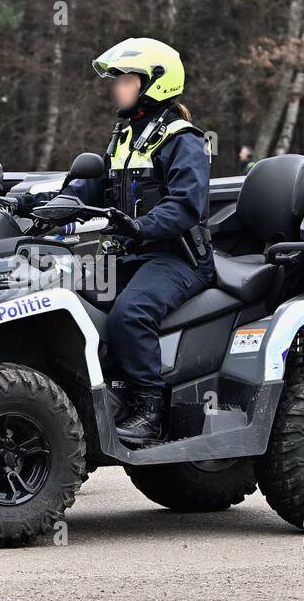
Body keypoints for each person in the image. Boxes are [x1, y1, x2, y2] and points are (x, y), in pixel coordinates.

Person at [18, 37, 214, 445]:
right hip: (133, 255)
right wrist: (28, 204)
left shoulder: (183, 138)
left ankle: (149, 410)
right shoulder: (125, 136)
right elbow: (87, 192)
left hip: (178, 259)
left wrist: (139, 227)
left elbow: (186, 206)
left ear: (153, 83)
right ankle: (86, 401)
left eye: (125, 79)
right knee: (68, 293)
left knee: (130, 314)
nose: (117, 87)